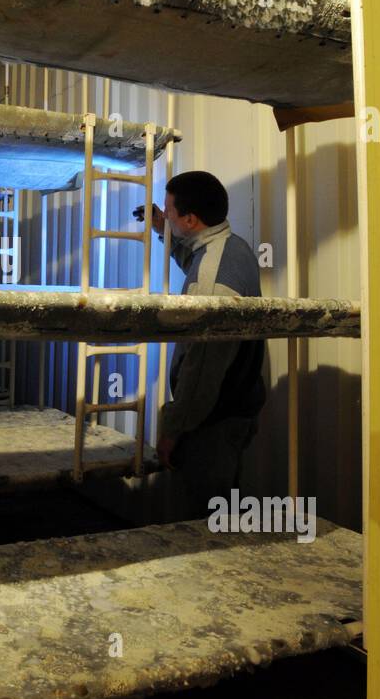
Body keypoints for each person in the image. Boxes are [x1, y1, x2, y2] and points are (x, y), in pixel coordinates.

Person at [102, 171, 266, 523]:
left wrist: (174, 429)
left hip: (211, 422)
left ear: (191, 219)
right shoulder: (232, 248)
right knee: (224, 514)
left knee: (204, 524)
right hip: (236, 411)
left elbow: (202, 369)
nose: (166, 213)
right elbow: (195, 262)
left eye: (171, 210)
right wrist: (164, 228)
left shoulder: (212, 281)